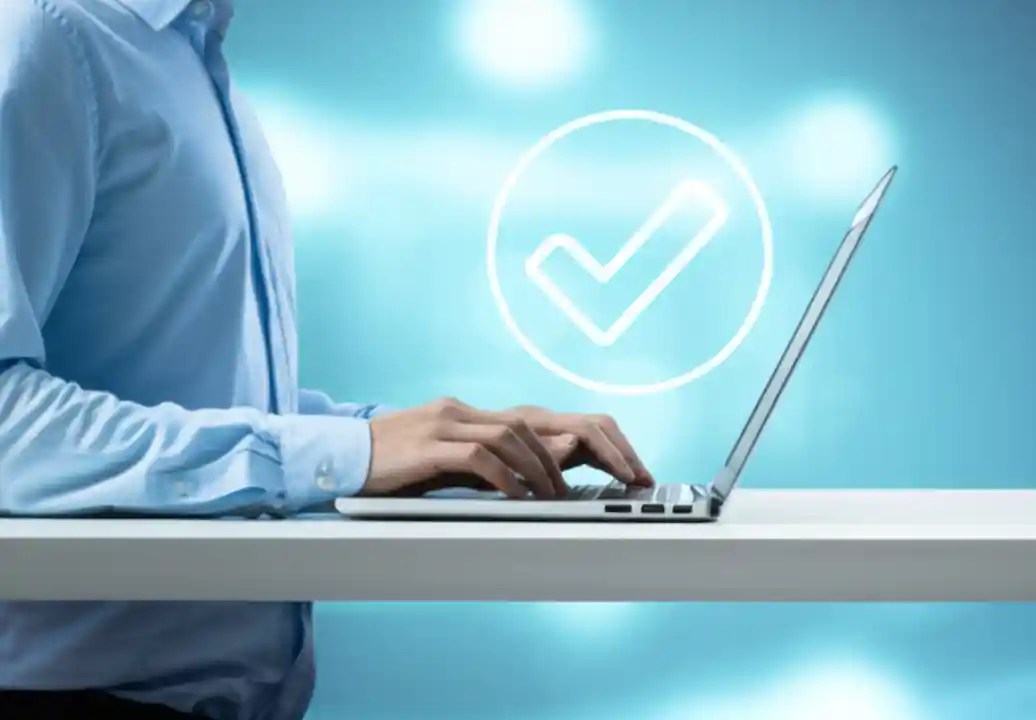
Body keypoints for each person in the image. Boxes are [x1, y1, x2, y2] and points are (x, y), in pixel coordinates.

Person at [0, 0, 654, 718]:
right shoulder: (44, 37)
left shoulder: (193, 66)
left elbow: (199, 399)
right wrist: (350, 453)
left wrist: (433, 443)